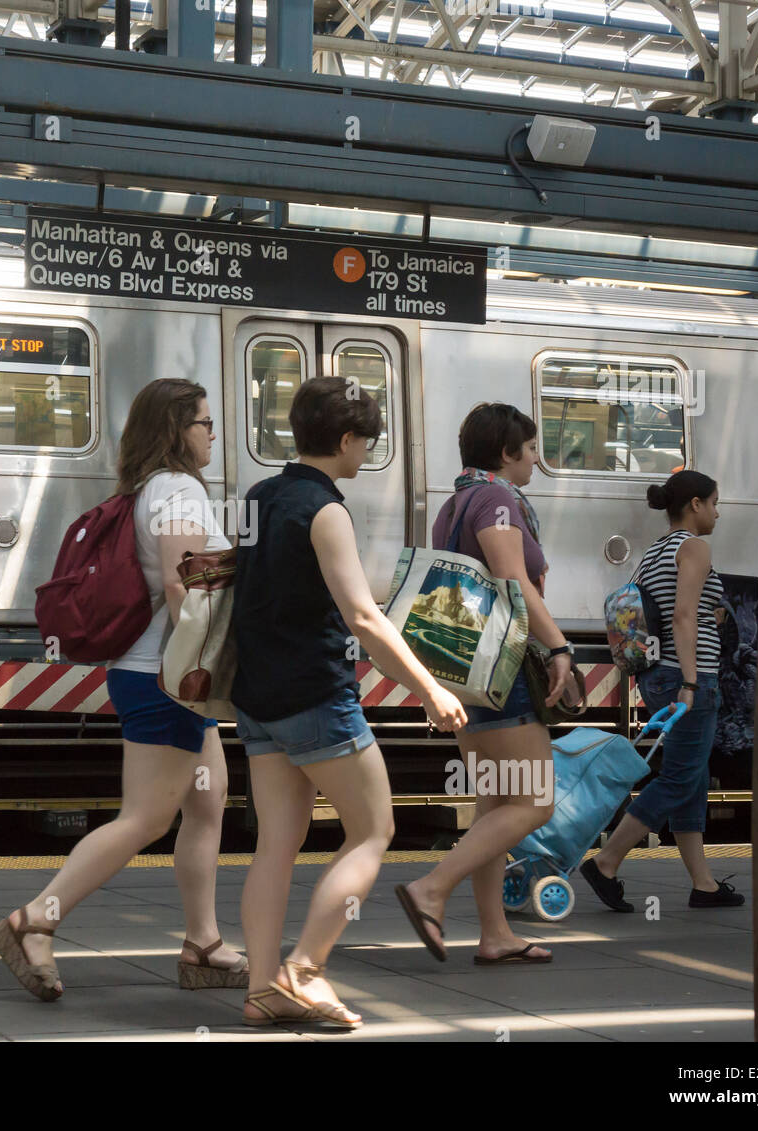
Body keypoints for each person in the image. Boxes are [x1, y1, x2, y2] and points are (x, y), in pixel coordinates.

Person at [0, 379, 248, 999]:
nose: (213, 434)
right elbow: (186, 586)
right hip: (167, 676)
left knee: (207, 800)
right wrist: (207, 668)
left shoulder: (146, 489)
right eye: (205, 423)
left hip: (151, 671)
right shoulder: (179, 489)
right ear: (177, 430)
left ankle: (203, 942)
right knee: (146, 818)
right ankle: (35, 921)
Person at [231, 377, 467, 1029]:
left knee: (276, 844)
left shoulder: (259, 496)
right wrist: (431, 687)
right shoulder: (326, 510)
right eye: (366, 441)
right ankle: (304, 969)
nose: (367, 453)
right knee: (372, 830)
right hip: (313, 692)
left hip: (257, 696)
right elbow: (363, 616)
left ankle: (261, 988)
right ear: (344, 440)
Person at [396, 403, 571, 967]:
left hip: (464, 670)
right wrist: (560, 647)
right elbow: (511, 576)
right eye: (531, 448)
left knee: (494, 802)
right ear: (506, 452)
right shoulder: (496, 499)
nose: (536, 459)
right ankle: (431, 889)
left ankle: (495, 933)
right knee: (535, 802)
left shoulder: (454, 503)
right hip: (504, 672)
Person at [581, 470, 744, 910]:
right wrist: (690, 682)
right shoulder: (694, 548)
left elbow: (673, 609)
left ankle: (703, 884)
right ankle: (606, 862)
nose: (717, 513)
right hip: (686, 677)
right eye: (714, 503)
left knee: (691, 778)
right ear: (695, 504)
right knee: (678, 779)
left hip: (656, 675)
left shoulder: (655, 553)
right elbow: (682, 615)